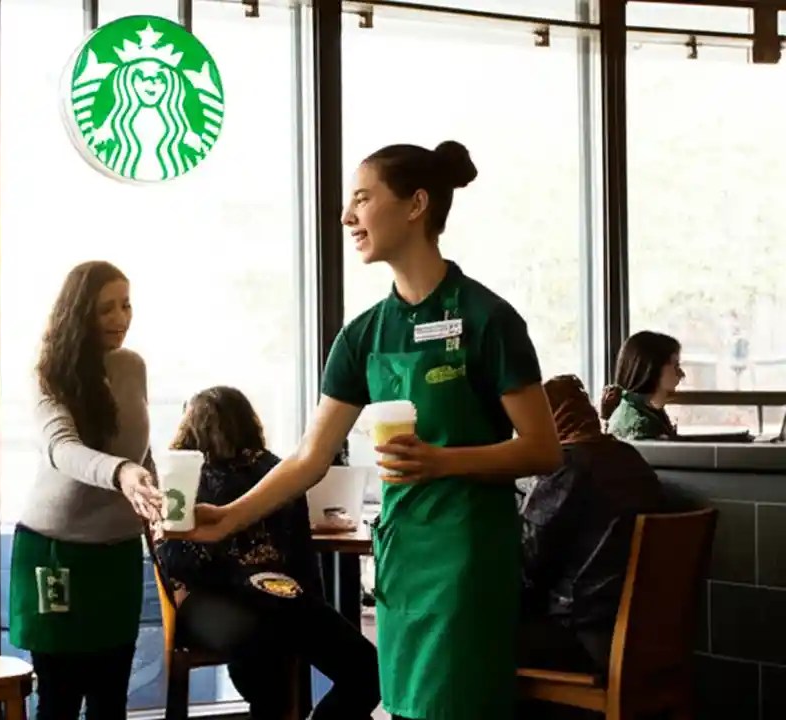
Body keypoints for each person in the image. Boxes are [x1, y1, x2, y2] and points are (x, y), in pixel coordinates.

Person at [178, 141, 562, 720]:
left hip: (469, 552)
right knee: (407, 704)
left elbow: (543, 448)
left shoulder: (488, 319)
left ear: (416, 205)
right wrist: (229, 516)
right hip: (402, 552)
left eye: (361, 198)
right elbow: (310, 458)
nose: (346, 216)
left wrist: (441, 462)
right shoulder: (362, 335)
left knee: (456, 704)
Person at [156, 386, 380, 720]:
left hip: (220, 615)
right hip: (286, 603)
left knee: (267, 680)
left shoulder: (184, 479)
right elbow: (302, 558)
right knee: (367, 674)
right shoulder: (278, 474)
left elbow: (176, 562)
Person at [9, 261, 163, 720]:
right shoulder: (46, 375)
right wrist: (123, 474)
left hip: (116, 553)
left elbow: (141, 447)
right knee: (58, 700)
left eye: (126, 304)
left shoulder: (132, 366)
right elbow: (62, 449)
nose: (121, 318)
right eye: (106, 310)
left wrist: (159, 504)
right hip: (55, 553)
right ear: (78, 315)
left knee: (110, 699)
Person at [520, 375, 663, 673]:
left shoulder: (567, 467)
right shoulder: (630, 458)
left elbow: (527, 561)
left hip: (581, 639)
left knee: (471, 634)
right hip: (643, 637)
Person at [600, 331, 684, 440]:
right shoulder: (641, 427)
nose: (682, 374)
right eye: (675, 365)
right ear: (652, 368)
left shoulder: (647, 414)